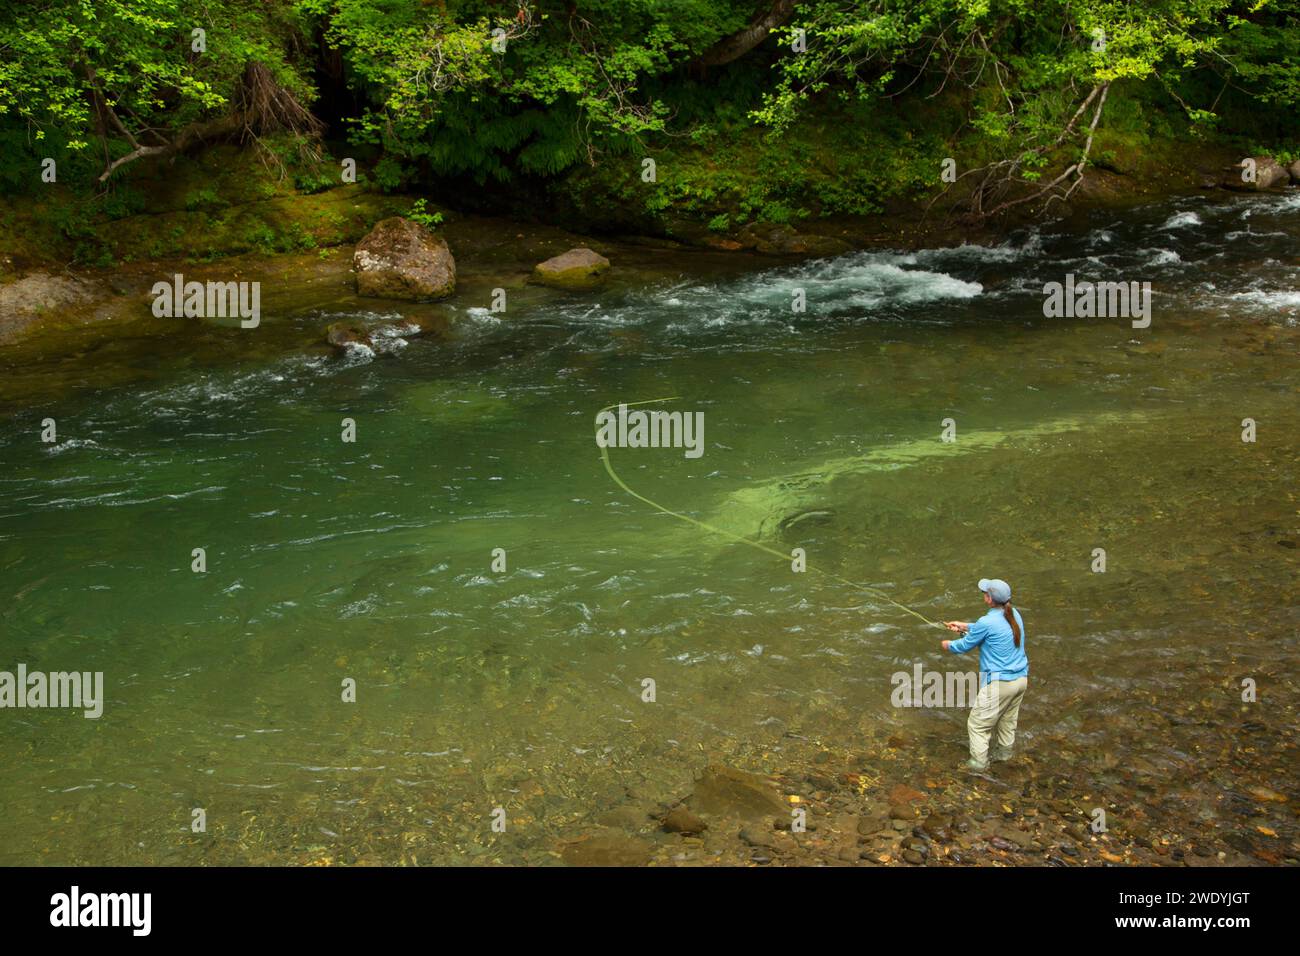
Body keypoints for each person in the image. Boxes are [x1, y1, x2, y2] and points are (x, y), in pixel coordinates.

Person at [942, 578, 1028, 771]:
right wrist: (964, 626)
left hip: (1000, 684)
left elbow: (963, 646)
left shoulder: (987, 622)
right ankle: (1005, 759)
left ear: (989, 599)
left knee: (977, 725)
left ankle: (979, 767)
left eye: (984, 593)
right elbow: (988, 628)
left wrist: (948, 645)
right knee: (1007, 721)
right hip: (1021, 680)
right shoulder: (1014, 614)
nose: (983, 595)